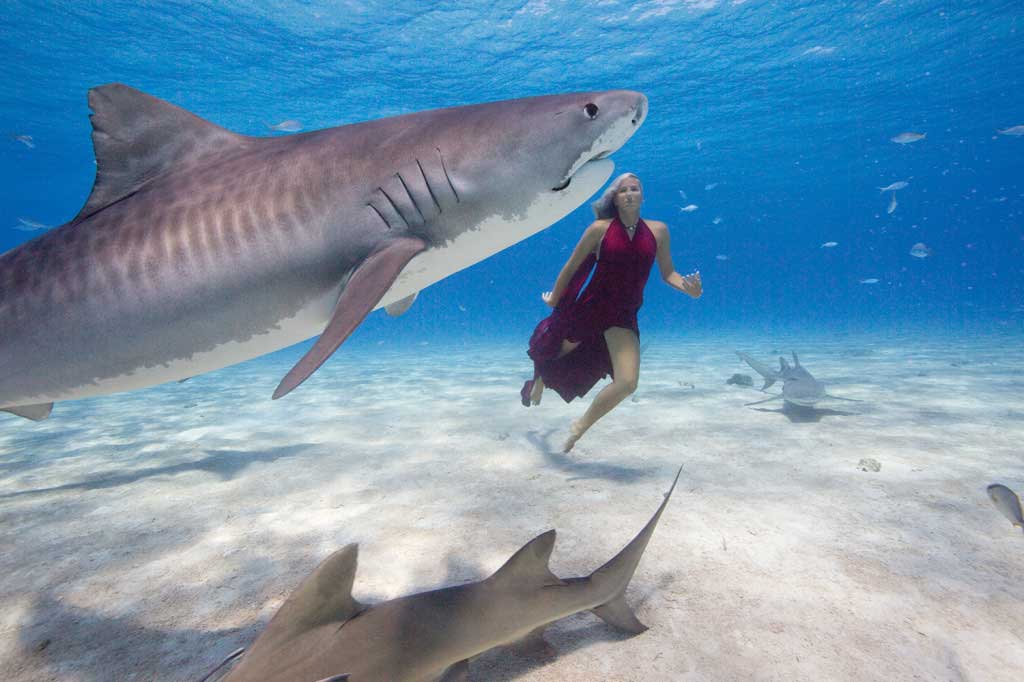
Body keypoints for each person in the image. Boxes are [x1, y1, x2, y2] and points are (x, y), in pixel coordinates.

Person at [520, 172, 702, 452]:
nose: (629, 193)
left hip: (624, 317)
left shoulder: (659, 231)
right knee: (551, 351)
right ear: (614, 199)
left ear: (643, 196)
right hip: (590, 310)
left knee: (628, 383)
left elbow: (668, 273)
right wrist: (555, 298)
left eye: (635, 189)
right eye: (623, 190)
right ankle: (539, 380)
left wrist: (689, 289)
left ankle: (579, 427)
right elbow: (570, 267)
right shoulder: (599, 230)